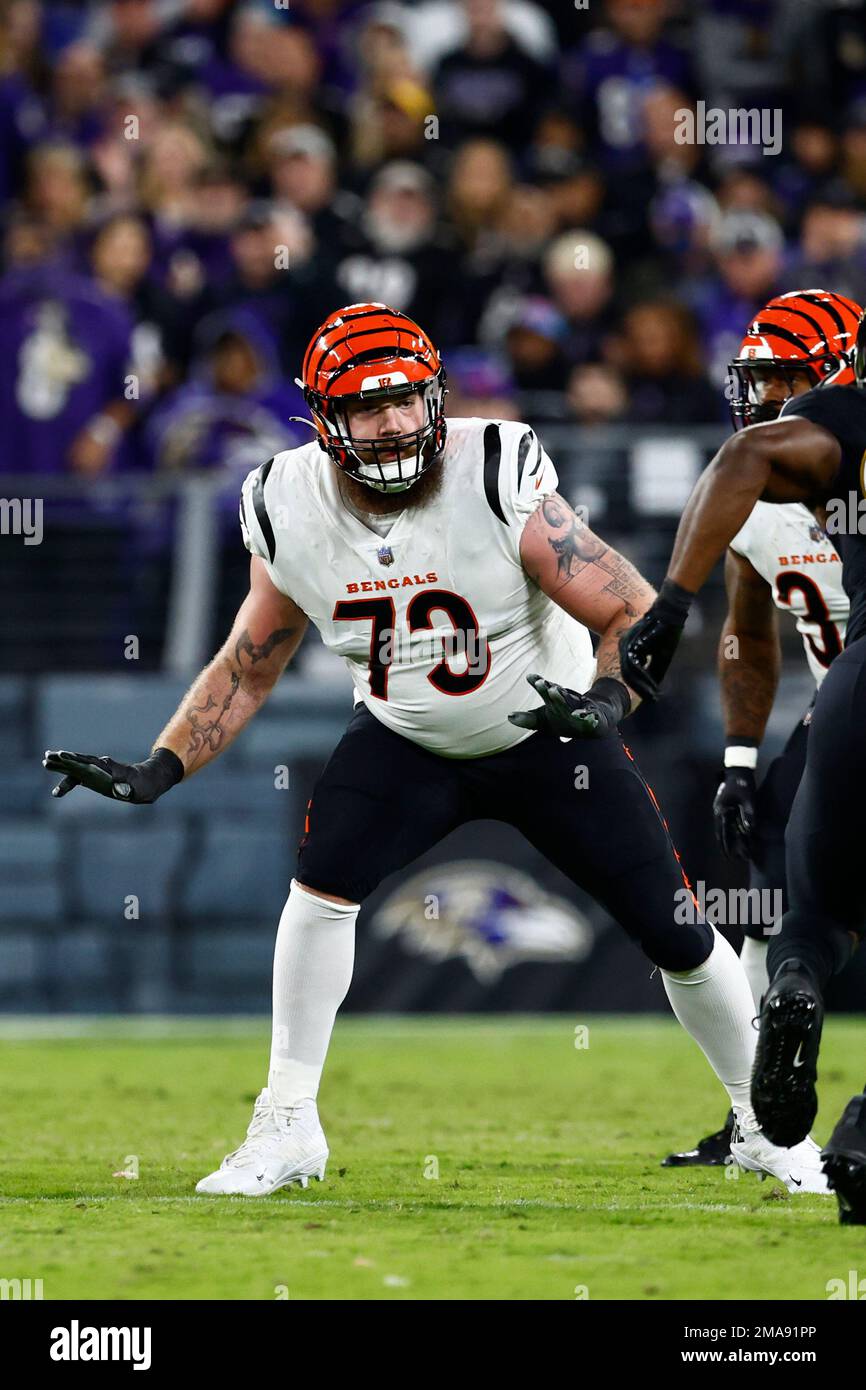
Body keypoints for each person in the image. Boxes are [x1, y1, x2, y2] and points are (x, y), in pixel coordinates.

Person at [43, 302, 826, 1198]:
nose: (392, 424)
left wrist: (605, 703)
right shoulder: (284, 500)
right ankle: (288, 1123)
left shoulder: (494, 468)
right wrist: (161, 765)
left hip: (543, 728)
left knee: (679, 932)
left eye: (407, 401)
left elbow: (631, 611)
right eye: (366, 409)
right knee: (320, 888)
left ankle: (765, 1129)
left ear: (437, 397)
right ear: (319, 419)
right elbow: (250, 662)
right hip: (405, 732)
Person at [617, 293, 866, 1224]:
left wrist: (668, 606)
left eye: (784, 379)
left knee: (804, 902)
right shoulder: (762, 495)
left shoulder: (777, 463)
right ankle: (763, 1117)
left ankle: (776, 1104)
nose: (766, 396)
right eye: (757, 378)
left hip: (849, 700)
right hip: (837, 700)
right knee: (772, 865)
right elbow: (750, 642)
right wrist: (735, 756)